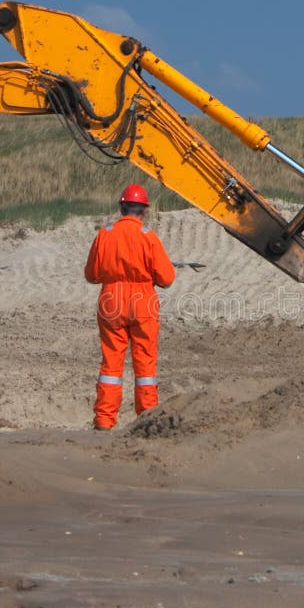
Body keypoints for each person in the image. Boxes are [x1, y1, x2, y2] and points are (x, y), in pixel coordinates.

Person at [84, 183, 176, 430]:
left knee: (111, 364)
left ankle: (104, 420)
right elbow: (167, 278)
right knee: (145, 364)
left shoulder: (105, 234)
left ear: (121, 207)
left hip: (111, 300)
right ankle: (146, 419)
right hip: (142, 301)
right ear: (144, 210)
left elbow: (91, 274)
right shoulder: (148, 237)